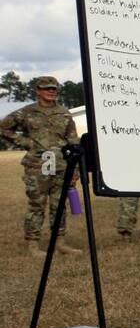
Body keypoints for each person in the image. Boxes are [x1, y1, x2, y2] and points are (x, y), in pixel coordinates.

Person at [0, 76, 80, 255]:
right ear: (38, 91)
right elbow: (3, 128)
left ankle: (59, 243)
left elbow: (73, 142)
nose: (51, 91)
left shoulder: (64, 113)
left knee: (59, 206)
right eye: (47, 88)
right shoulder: (27, 112)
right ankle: (33, 245)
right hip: (37, 166)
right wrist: (25, 142)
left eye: (54, 88)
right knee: (37, 205)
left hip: (61, 166)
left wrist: (75, 169)